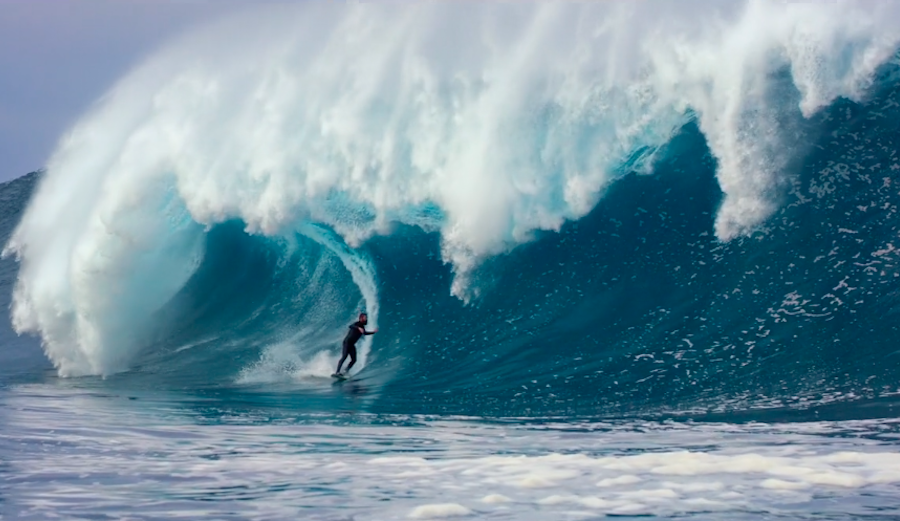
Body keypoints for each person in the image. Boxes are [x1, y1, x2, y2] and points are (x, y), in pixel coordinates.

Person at [333, 312, 377, 377]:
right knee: (344, 356)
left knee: (354, 360)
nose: (366, 319)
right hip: (347, 342)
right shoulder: (357, 324)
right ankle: (337, 372)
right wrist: (358, 328)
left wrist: (373, 332)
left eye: (366, 318)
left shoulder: (362, 326)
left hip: (352, 344)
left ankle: (345, 372)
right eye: (365, 318)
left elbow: (364, 333)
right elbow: (350, 326)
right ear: (361, 318)